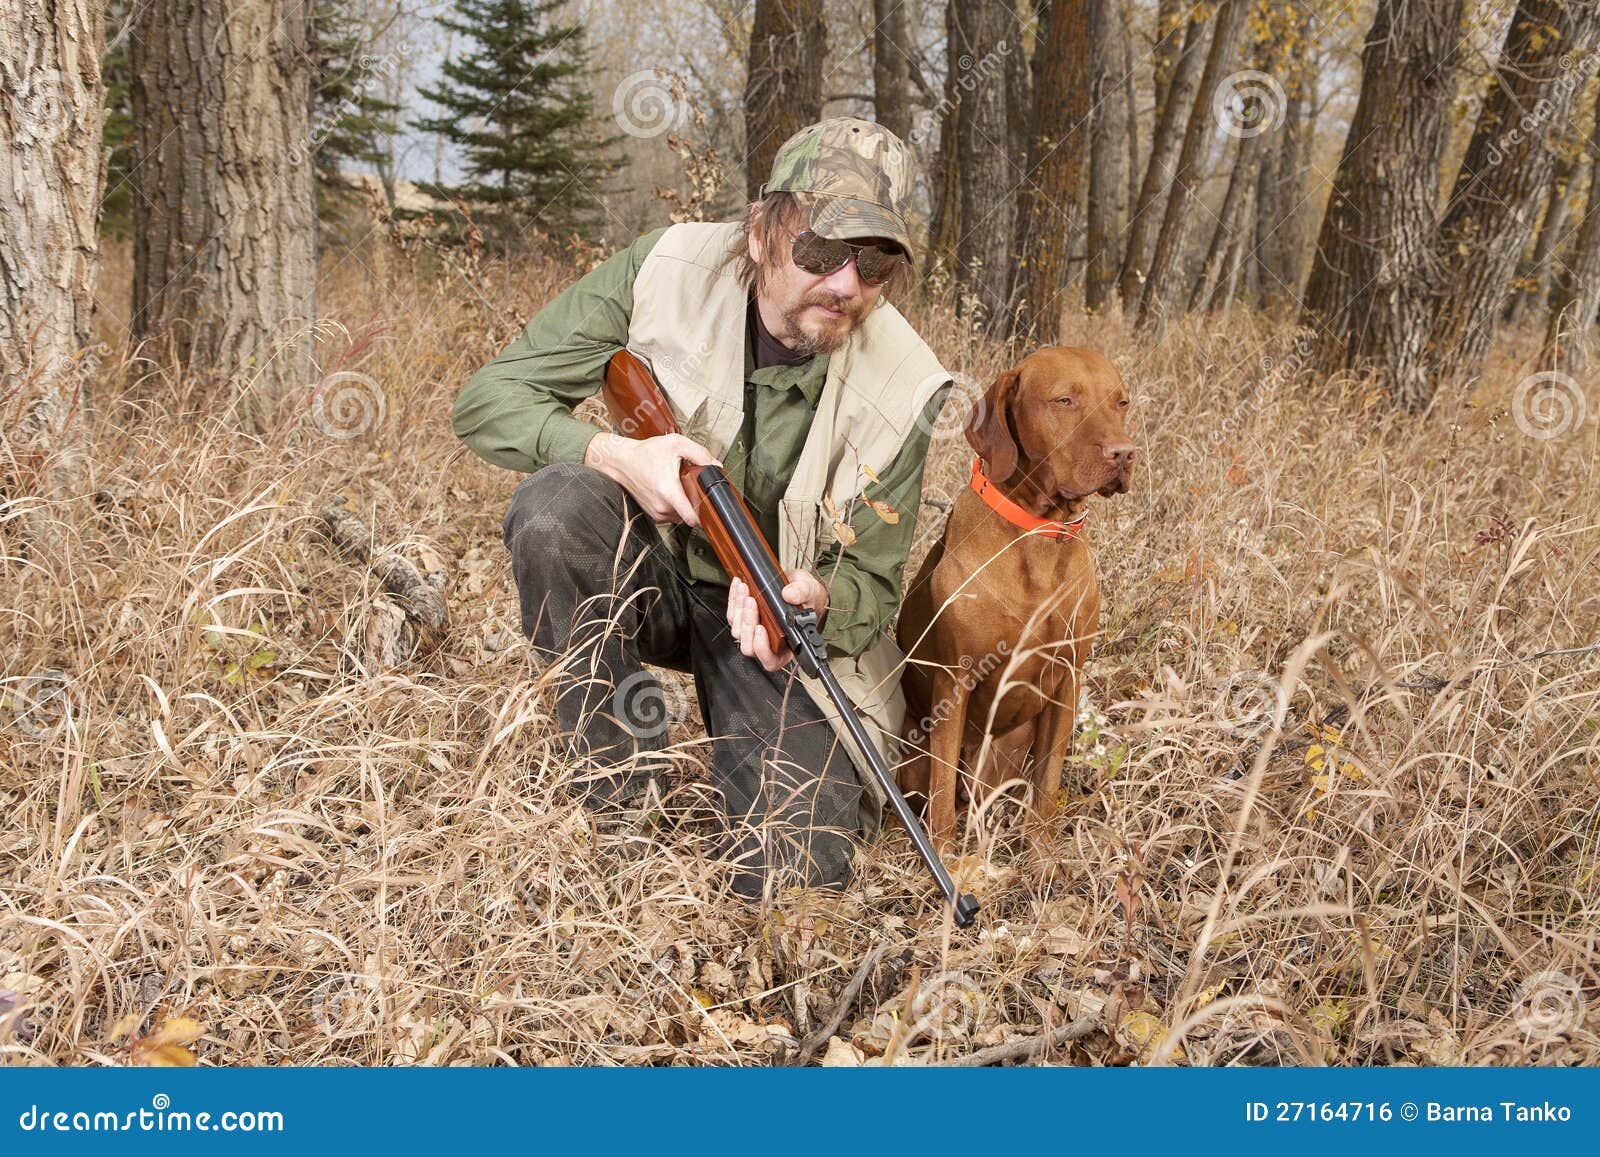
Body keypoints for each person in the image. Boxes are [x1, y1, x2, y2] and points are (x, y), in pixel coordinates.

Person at [452, 117, 953, 902]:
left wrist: (816, 599)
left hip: (771, 633)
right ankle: (618, 796)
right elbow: (487, 400)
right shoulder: (664, 269)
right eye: (821, 250)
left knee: (792, 880)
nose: (847, 285)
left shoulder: (907, 382)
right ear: (759, 232)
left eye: (876, 263)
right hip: (655, 569)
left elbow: (874, 585)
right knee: (554, 510)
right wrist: (615, 454)